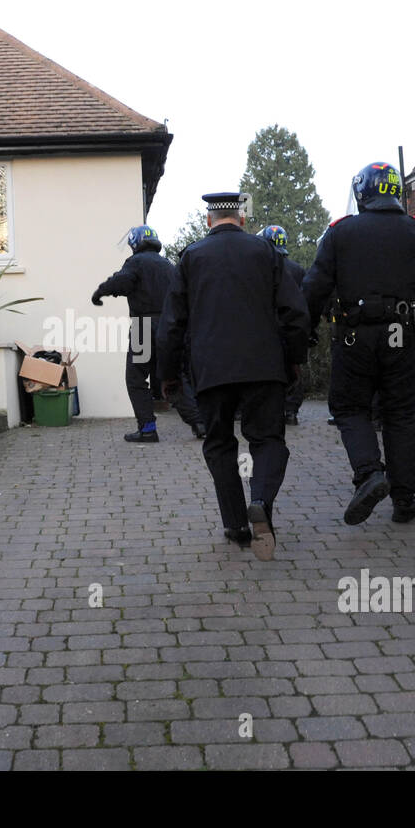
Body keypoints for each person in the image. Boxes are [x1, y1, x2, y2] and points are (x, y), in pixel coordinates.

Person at [159, 192, 310, 560]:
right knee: (267, 440)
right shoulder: (266, 253)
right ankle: (260, 502)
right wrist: (293, 360)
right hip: (264, 368)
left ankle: (237, 525)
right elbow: (295, 313)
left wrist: (168, 376)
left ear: (208, 221)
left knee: (220, 444)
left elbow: (171, 325)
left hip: (212, 371)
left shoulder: (191, 257)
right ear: (242, 220)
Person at [303, 162, 415, 525]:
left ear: (362, 193)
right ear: (396, 192)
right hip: (402, 333)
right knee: (400, 414)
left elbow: (314, 287)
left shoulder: (340, 232)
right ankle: (405, 501)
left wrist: (304, 329)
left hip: (354, 335)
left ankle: (369, 474)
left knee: (349, 408)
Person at [92, 224, 206, 442]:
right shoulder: (168, 265)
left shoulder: (136, 262)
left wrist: (100, 292)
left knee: (135, 377)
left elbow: (122, 282)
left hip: (143, 327)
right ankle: (199, 423)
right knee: (174, 377)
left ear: (135, 243)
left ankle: (147, 429)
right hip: (169, 328)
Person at [260, 225, 307, 425]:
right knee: (294, 369)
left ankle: (272, 410)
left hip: (268, 329)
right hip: (292, 326)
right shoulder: (297, 270)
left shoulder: (261, 270)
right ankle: (291, 411)